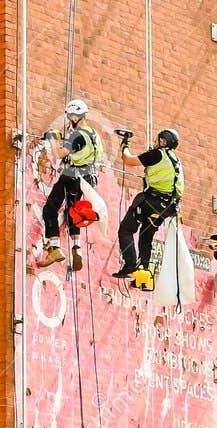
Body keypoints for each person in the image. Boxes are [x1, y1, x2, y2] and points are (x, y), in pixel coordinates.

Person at [36, 99, 104, 271]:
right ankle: (77, 247)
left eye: (69, 116)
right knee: (73, 213)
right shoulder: (94, 135)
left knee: (50, 209)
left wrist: (52, 138)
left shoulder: (77, 135)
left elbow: (59, 154)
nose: (68, 119)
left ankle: (55, 247)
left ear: (74, 116)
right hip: (86, 178)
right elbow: (84, 152)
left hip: (71, 175)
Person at [113, 128, 184, 287]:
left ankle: (130, 264)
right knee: (146, 236)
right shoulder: (175, 160)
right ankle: (144, 275)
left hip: (152, 200)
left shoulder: (158, 154)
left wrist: (124, 144)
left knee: (126, 229)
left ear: (163, 142)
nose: (154, 142)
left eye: (157, 140)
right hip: (168, 207)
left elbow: (129, 160)